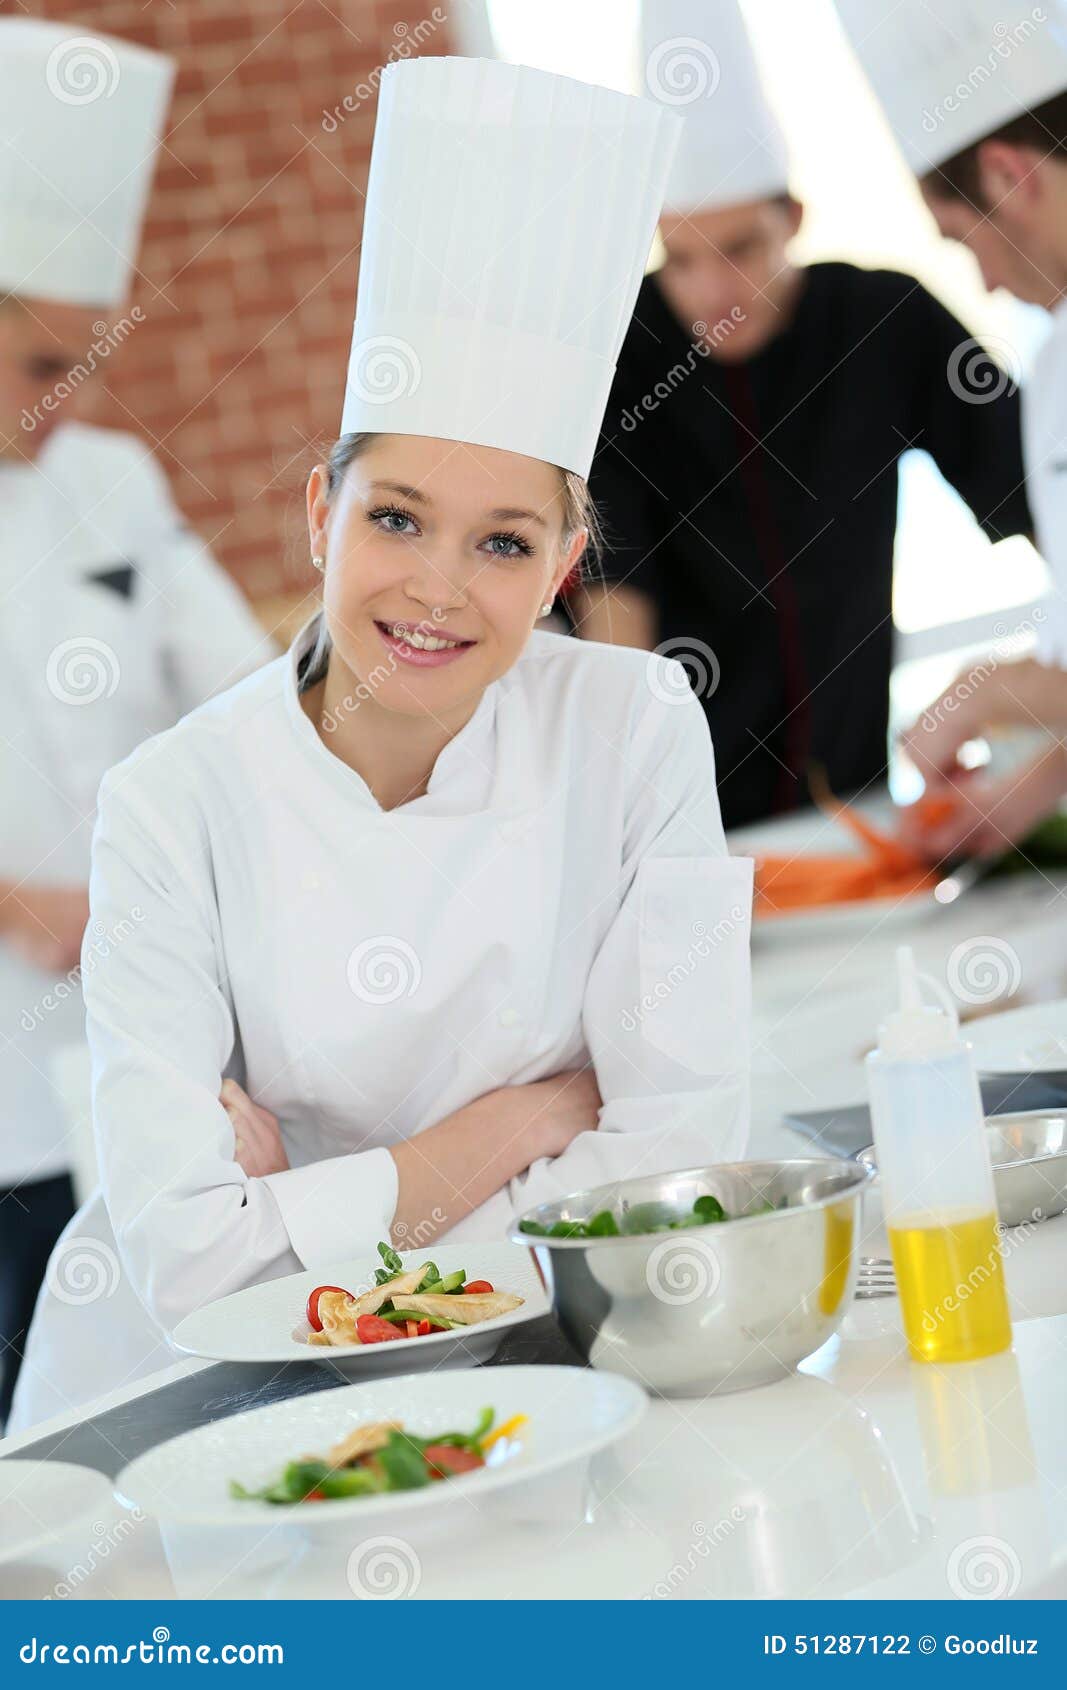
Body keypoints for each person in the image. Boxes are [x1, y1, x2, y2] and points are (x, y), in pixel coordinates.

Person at [8, 54, 753, 1431]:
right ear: (317, 517)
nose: (433, 589)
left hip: (577, 1368)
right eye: (394, 517)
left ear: (562, 568)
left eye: (503, 544)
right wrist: (514, 1124)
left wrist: (309, 1207)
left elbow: (677, 1153)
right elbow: (184, 1261)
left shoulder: (635, 726)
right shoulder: (172, 801)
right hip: (237, 1412)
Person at [0, 21, 271, 1426]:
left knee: (179, 1403)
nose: (69, 400)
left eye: (81, 362)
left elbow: (246, 692)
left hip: (154, 1055)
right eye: (39, 363)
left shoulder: (109, 483)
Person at [577, 0, 1032, 831]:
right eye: (678, 259)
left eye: (740, 250)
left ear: (793, 219)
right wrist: (620, 814)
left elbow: (1034, 490)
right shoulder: (615, 354)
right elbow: (615, 594)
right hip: (684, 818)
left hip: (855, 806)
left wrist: (1027, 696)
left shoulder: (885, 320)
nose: (710, 293)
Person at [838, 0, 1067, 862]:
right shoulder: (1052, 368)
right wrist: (1030, 786)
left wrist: (991, 689)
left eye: (964, 238)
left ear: (1012, 176)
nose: (987, 280)